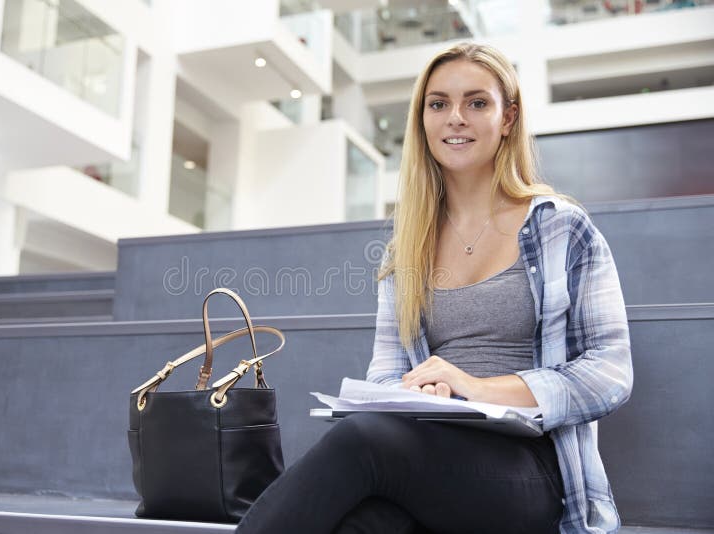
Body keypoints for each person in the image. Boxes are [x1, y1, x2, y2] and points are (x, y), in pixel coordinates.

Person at [235, 42, 632, 534]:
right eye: (439, 103)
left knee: (359, 441)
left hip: (533, 470)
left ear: (508, 118)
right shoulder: (408, 249)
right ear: (422, 120)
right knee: (364, 525)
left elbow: (610, 372)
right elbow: (384, 374)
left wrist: (479, 389)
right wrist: (420, 391)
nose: (455, 118)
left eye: (477, 103)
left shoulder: (561, 228)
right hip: (428, 456)